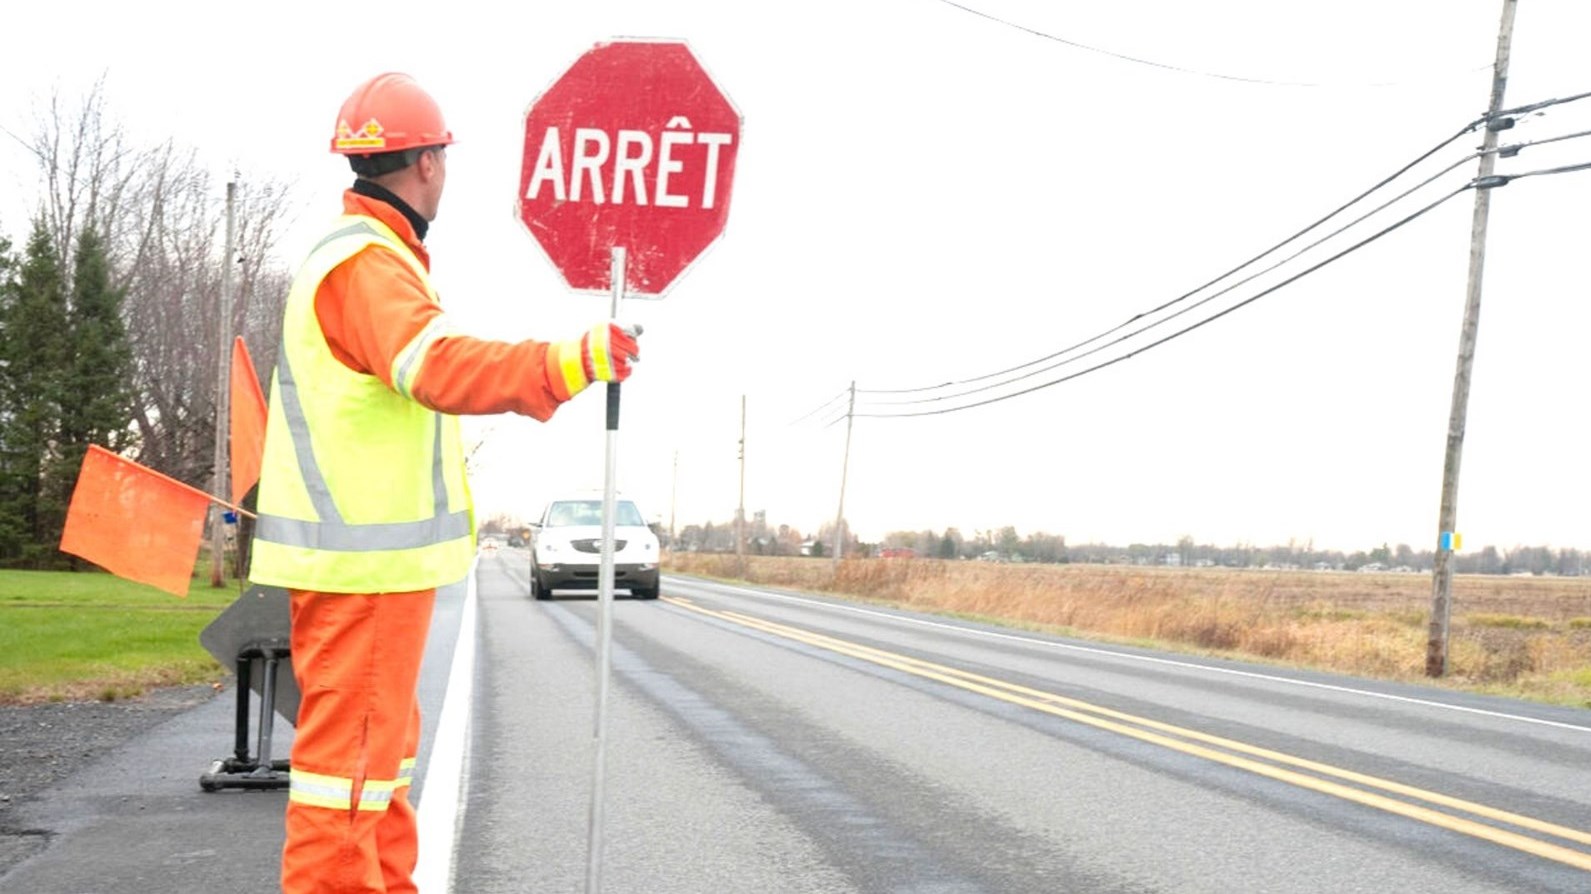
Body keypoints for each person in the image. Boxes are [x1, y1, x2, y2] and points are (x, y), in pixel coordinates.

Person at [247, 72, 639, 894]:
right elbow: (435, 365)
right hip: (361, 573)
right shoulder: (366, 264)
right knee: (346, 781)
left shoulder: (366, 254)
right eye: (444, 161)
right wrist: (563, 362)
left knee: (375, 771)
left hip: (368, 574)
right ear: (427, 164)